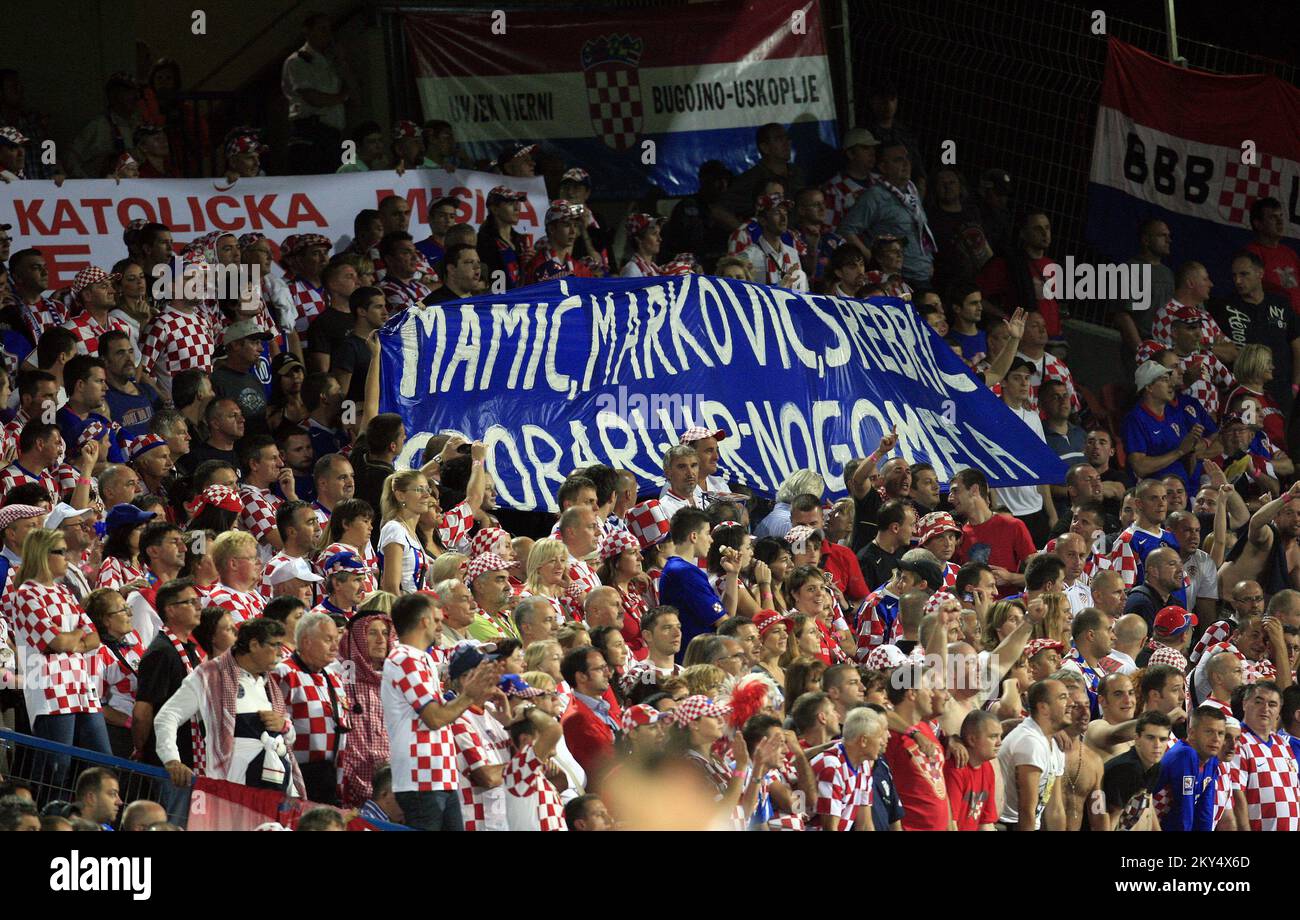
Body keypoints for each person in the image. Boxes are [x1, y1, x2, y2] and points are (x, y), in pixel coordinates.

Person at [381, 593, 497, 830]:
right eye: (436, 620)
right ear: (424, 621)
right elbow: (435, 718)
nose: (440, 626)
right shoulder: (404, 659)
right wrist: (469, 695)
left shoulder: (421, 659)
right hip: (421, 779)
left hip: (439, 776)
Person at [156, 617, 306, 797]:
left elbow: (290, 737)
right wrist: (171, 759)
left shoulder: (270, 685)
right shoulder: (209, 674)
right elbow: (167, 716)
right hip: (231, 789)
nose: (281, 653)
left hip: (277, 788)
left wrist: (283, 725)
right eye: (275, 645)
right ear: (254, 645)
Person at [10, 527, 110, 785]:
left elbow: (94, 637)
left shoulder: (64, 592)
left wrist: (71, 640)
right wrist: (75, 636)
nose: (67, 557)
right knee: (56, 771)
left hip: (82, 687)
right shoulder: (26, 594)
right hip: (49, 691)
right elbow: (57, 641)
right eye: (61, 552)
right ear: (44, 555)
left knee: (103, 764)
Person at [840, 141, 934, 286]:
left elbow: (920, 229)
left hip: (923, 274)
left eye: (907, 158)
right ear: (883, 167)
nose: (906, 164)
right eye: (898, 160)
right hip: (897, 278)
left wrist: (928, 261)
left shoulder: (912, 191)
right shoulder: (875, 196)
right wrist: (871, 258)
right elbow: (847, 230)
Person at [281, 13, 350, 175]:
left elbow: (355, 92)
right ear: (308, 31)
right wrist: (341, 97)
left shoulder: (330, 62)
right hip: (310, 131)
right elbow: (313, 98)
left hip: (333, 133)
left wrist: (343, 61)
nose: (327, 34)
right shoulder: (298, 61)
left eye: (329, 30)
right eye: (322, 29)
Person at [950, 467, 1035, 595]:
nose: (950, 498)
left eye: (955, 491)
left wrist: (1011, 578)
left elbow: (1040, 576)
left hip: (1007, 606)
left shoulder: (1013, 526)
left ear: (974, 490)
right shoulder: (958, 535)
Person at [997, 678, 1068, 830]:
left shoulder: (1055, 743)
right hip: (1007, 825)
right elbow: (1026, 811)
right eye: (1063, 698)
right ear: (1043, 708)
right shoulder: (1030, 742)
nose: (1071, 703)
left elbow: (1055, 809)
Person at [1234, 681, 1300, 831]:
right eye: (1259, 702)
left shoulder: (1282, 743)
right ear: (1244, 704)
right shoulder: (1237, 741)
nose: (1265, 709)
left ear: (1279, 711)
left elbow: (1295, 791)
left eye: (1272, 704)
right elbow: (1237, 794)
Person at [808, 705, 885, 831]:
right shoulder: (831, 766)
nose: (882, 742)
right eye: (879, 737)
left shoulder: (864, 765)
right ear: (863, 741)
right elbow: (829, 828)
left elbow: (865, 825)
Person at [1151, 705, 1226, 832]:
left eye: (1221, 733)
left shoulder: (1211, 760)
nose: (1216, 739)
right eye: (1209, 731)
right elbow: (1183, 813)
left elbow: (1205, 811)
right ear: (1192, 733)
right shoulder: (1184, 755)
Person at [1102, 709, 1172, 830]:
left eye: (1162, 739)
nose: (1157, 745)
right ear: (1137, 738)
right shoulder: (1126, 769)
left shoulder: (1154, 765)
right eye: (1150, 738)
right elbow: (1111, 819)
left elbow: (1147, 803)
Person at [943, 709, 1001, 831]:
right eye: (993, 736)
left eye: (1000, 736)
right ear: (972, 740)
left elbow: (986, 823)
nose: (999, 743)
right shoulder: (956, 768)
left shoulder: (987, 767)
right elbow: (950, 825)